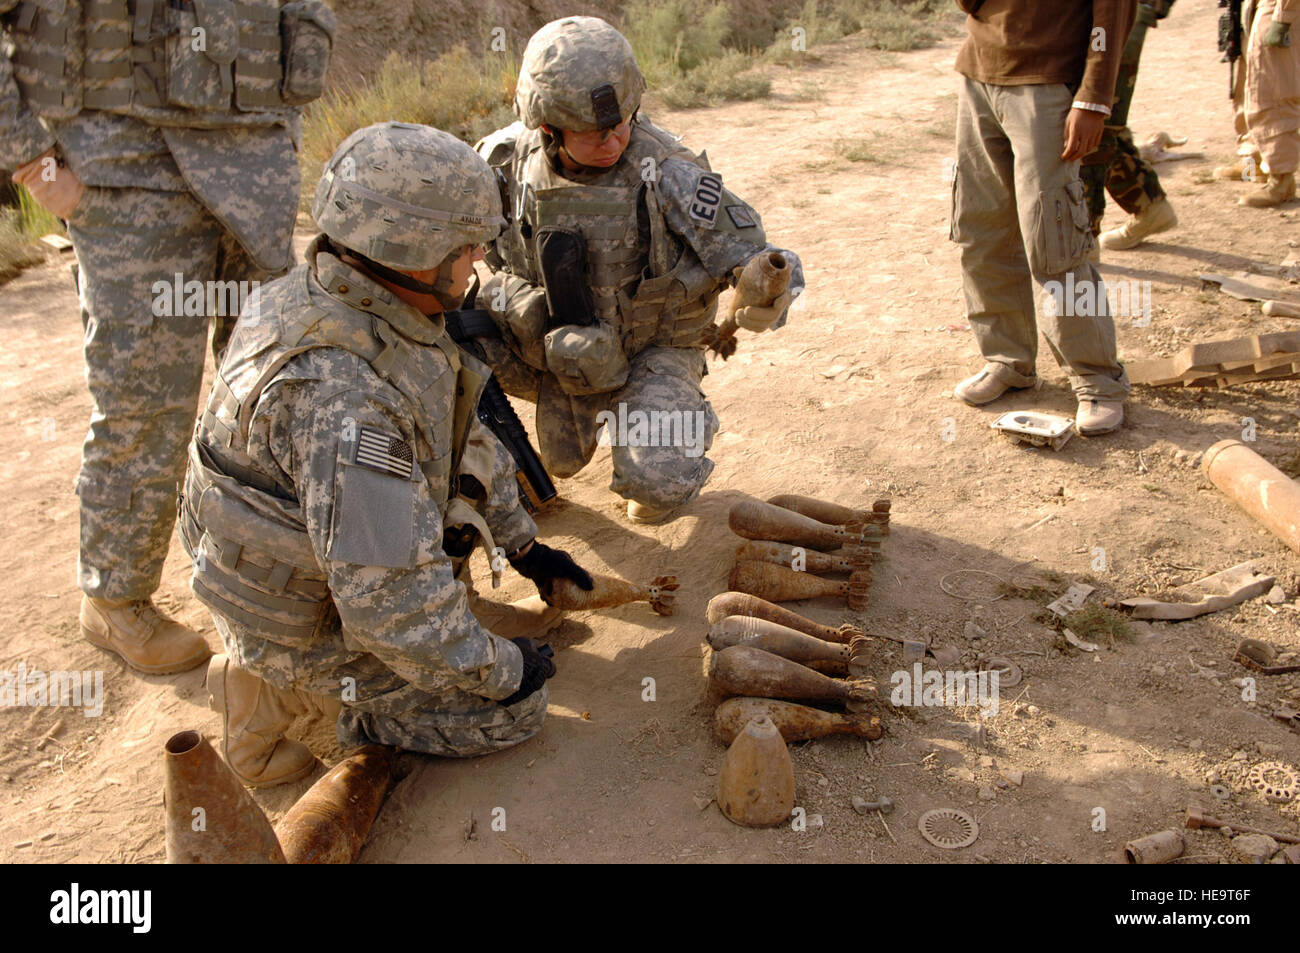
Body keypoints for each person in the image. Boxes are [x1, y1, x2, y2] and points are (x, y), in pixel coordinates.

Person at [181, 122, 595, 786]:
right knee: (514, 711)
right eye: (465, 247)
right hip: (304, 613)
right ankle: (294, 692)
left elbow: (457, 434)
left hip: (317, 561)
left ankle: (298, 674)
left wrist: (524, 547)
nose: (475, 264)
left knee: (450, 615)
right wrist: (505, 667)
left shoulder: (338, 290)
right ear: (413, 252)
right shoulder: (345, 403)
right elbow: (390, 606)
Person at [2, 0, 337, 675]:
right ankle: (115, 595)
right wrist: (32, 167)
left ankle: (271, 582)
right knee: (147, 398)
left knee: (275, 388)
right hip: (125, 170)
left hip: (256, 166)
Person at [475, 16, 804, 525]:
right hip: (551, 343)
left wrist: (770, 297)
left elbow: (759, 257)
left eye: (622, 122)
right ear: (547, 127)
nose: (613, 141)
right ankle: (489, 477)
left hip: (651, 350)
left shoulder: (668, 172)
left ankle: (669, 426)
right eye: (593, 133)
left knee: (657, 482)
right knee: (446, 348)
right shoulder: (504, 163)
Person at [949, 0, 1135, 436]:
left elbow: (1112, 11)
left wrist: (1093, 97)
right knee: (981, 230)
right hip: (979, 72)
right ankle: (1008, 359)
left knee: (1054, 241)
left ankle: (1097, 379)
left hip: (1048, 82)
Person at [1078, 0, 1180, 251]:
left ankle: (1083, 243)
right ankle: (1148, 205)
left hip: (1113, 17)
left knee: (1092, 129)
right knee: (1101, 126)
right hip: (1092, 18)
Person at [1237, 0, 1299, 206]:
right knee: (1256, 85)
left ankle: (1281, 180)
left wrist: (1283, 18)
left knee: (1272, 93)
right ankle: (1256, 162)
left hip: (1280, 9)